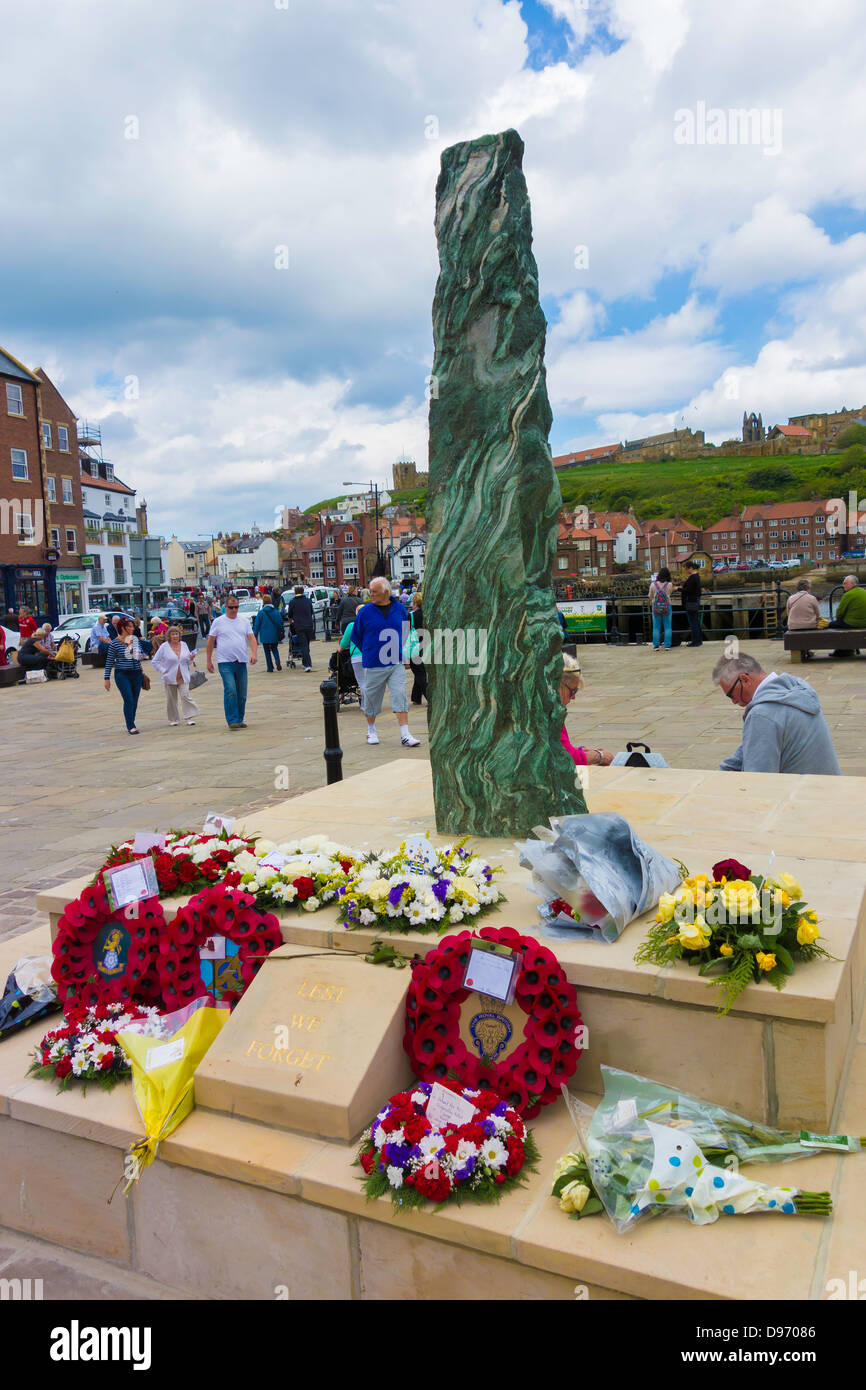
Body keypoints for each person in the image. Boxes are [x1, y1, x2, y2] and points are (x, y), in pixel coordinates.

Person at [713, 653, 840, 775]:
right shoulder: (795, 687)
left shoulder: (762, 714)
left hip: (805, 793)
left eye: (731, 694)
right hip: (829, 789)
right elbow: (748, 749)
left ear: (745, 680)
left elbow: (757, 780)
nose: (734, 701)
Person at [353, 577, 419, 747]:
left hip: (395, 661)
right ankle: (371, 730)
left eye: (375, 591)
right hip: (374, 661)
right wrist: (370, 650)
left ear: (386, 592)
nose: (371, 594)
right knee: (372, 698)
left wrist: (397, 648)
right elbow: (357, 636)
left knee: (399, 695)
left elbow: (405, 631)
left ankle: (405, 734)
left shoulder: (398, 608)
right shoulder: (365, 612)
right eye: (370, 590)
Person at [206, 596, 257, 729]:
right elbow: (211, 642)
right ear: (225, 607)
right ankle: (232, 719)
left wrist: (254, 653)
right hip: (225, 662)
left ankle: (240, 718)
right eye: (231, 607)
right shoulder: (218, 622)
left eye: (236, 607)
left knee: (242, 693)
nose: (234, 610)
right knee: (231, 690)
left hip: (241, 661)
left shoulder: (244, 621)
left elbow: (251, 638)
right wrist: (208, 661)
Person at [559, 653, 613, 767]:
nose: (573, 697)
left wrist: (582, 752)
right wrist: (598, 756)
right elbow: (563, 757)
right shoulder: (547, 714)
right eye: (572, 691)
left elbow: (561, 747)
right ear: (558, 686)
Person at [104, 617, 145, 734]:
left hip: (136, 673)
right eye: (130, 626)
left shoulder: (135, 639)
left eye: (133, 626)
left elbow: (139, 655)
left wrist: (139, 653)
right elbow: (109, 661)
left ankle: (131, 721)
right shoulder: (114, 643)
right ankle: (131, 725)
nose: (133, 629)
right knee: (129, 699)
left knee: (135, 700)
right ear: (123, 628)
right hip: (122, 674)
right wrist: (106, 678)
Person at [152, 625, 199, 726]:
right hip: (169, 677)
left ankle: (189, 717)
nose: (175, 636)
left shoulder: (184, 644)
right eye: (172, 634)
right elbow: (154, 661)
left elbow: (188, 662)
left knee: (185, 695)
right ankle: (173, 719)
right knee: (171, 699)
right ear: (169, 636)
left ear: (179, 635)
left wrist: (191, 658)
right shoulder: (164, 646)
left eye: (176, 634)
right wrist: (162, 670)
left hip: (183, 675)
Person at [785, 579, 821, 661]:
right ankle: (807, 650)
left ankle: (804, 651)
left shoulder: (791, 598)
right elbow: (818, 614)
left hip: (793, 626)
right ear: (808, 588)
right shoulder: (812, 598)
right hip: (810, 625)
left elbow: (788, 613)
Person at [253, 594, 284, 672]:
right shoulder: (276, 612)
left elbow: (256, 625)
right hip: (274, 634)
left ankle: (270, 667)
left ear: (263, 602)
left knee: (267, 651)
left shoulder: (261, 613)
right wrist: (282, 630)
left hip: (264, 635)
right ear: (271, 601)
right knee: (274, 649)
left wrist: (255, 635)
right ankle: (277, 660)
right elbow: (280, 623)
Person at [286, 585, 315, 671]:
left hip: (299, 626)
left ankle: (307, 665)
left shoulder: (292, 602)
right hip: (309, 625)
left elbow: (290, 615)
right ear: (303, 592)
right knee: (307, 644)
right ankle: (305, 662)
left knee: (304, 645)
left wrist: (292, 622)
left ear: (295, 592)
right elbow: (311, 612)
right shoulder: (308, 601)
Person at [407, 589, 427, 706]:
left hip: (415, 647)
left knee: (419, 672)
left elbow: (405, 631)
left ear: (414, 603)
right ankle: (416, 697)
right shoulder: (428, 614)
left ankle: (429, 696)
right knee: (420, 671)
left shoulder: (411, 616)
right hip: (427, 644)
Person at [339, 618, 364, 705]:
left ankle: (367, 704)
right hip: (370, 655)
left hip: (357, 657)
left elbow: (344, 642)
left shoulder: (351, 625)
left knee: (362, 681)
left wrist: (339, 650)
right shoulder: (371, 623)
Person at [649, 567, 673, 651]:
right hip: (667, 606)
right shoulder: (669, 584)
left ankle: (656, 645)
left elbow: (650, 596)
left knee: (656, 627)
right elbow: (670, 593)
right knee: (667, 627)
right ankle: (667, 645)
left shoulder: (653, 584)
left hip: (656, 607)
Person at [680, 561, 703, 647]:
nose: (685, 570)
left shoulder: (693, 577)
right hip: (695, 601)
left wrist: (678, 589)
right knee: (696, 621)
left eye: (686, 568)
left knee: (693, 622)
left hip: (692, 601)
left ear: (690, 568)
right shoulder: (696, 576)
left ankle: (696, 641)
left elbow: (688, 590)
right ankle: (699, 640)